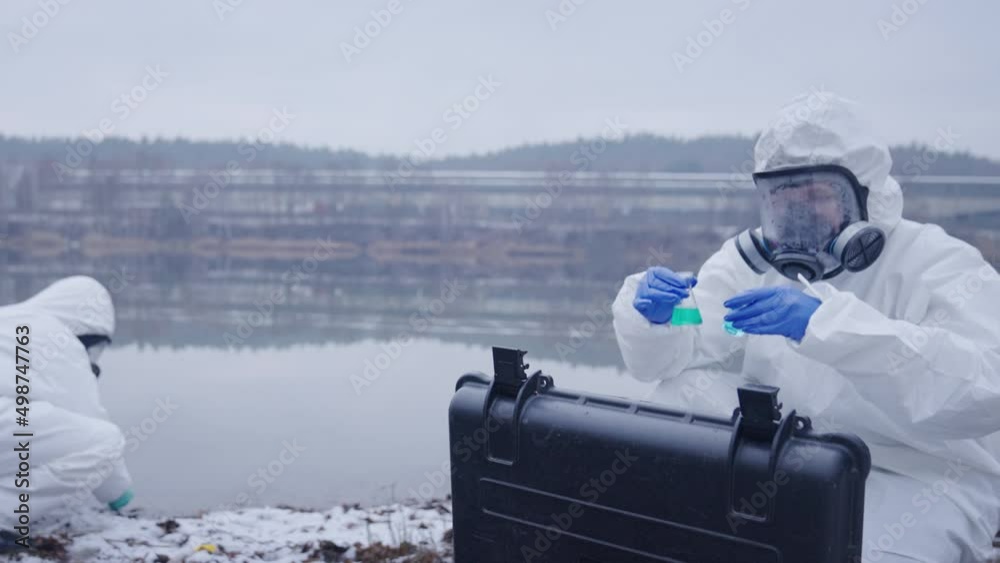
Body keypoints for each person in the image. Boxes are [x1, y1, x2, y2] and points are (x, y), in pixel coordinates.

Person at [612, 95, 1000, 562]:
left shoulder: (935, 262)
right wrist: (659, 318)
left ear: (865, 195)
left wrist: (825, 325)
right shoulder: (756, 264)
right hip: (798, 461)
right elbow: (700, 325)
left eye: (816, 196)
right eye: (782, 198)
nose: (798, 213)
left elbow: (986, 390)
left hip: (923, 476)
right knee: (681, 392)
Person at [0, 276, 133, 538]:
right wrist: (119, 494)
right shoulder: (59, 339)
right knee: (108, 440)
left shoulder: (10, 318)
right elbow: (91, 420)